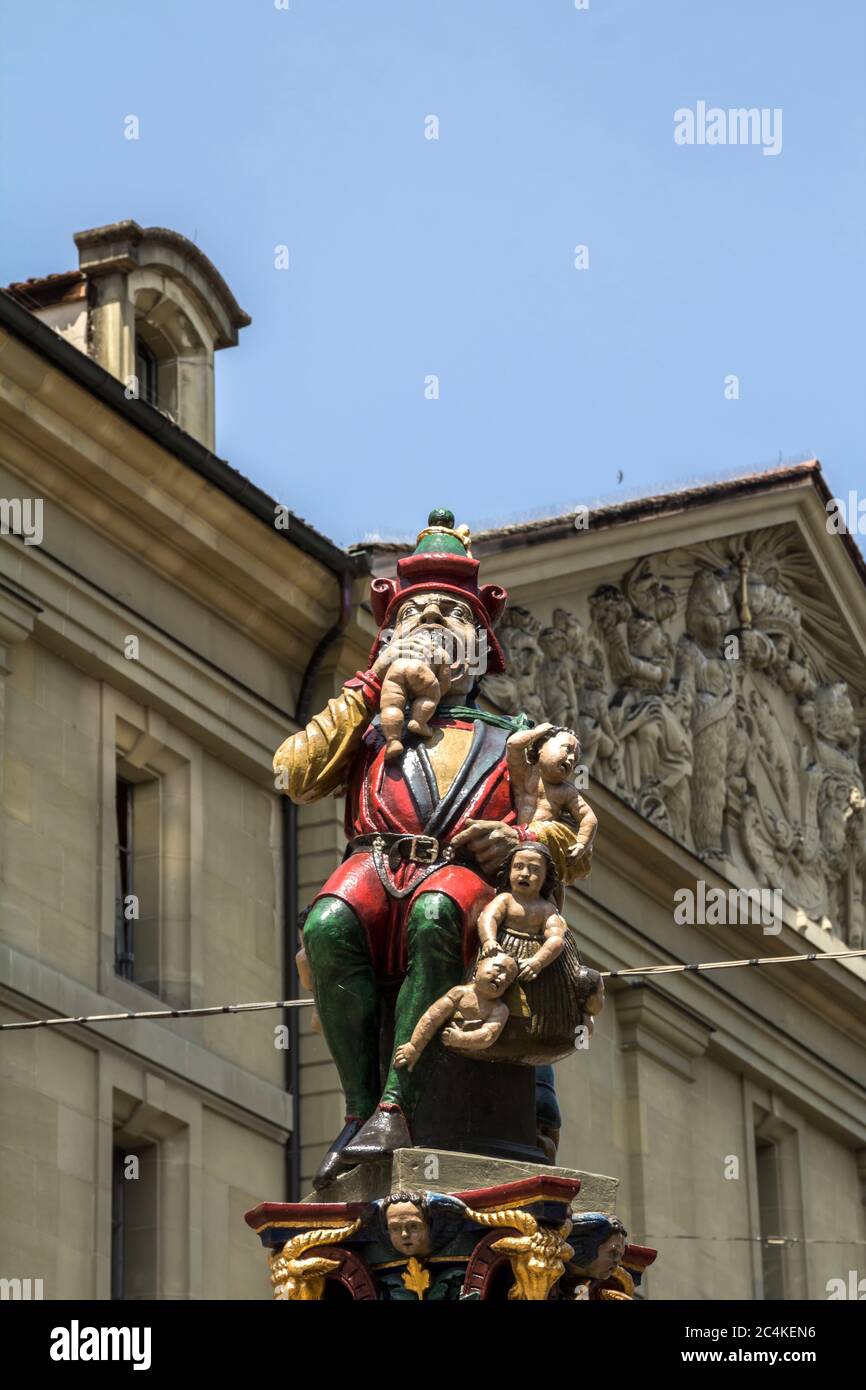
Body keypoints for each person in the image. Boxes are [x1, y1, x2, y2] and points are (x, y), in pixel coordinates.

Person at [274, 509, 593, 1189]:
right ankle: (361, 1112)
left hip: (459, 880)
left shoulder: (520, 734)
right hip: (379, 861)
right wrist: (366, 688)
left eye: (450, 612)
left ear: (478, 641)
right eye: (415, 614)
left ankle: (399, 1103)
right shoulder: (366, 725)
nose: (431, 625)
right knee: (328, 923)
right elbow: (294, 774)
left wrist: (518, 839)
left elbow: (567, 827)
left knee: (437, 915)